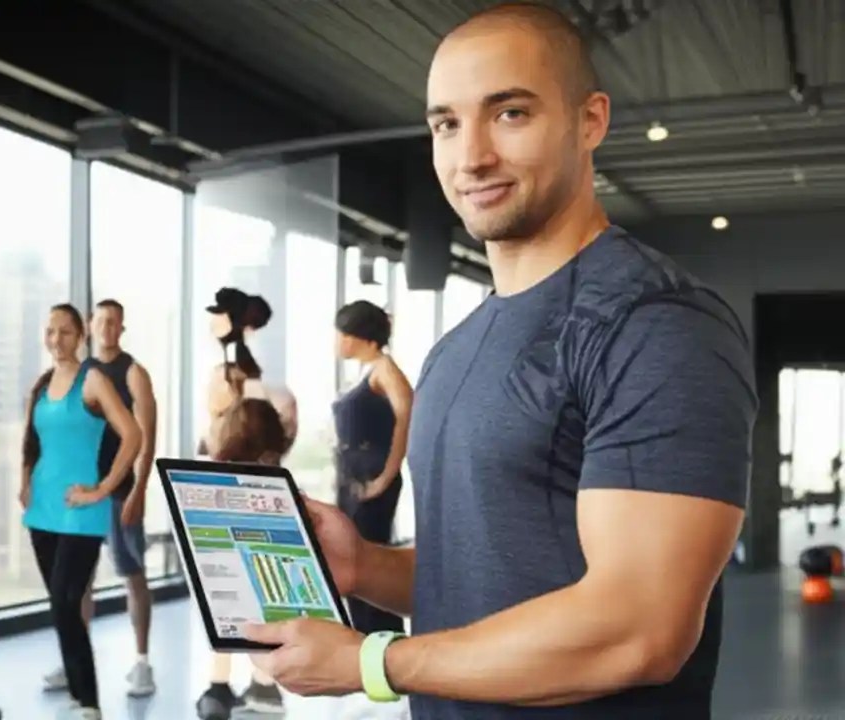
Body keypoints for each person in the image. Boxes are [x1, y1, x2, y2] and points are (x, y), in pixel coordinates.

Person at [242, 4, 756, 720]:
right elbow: (488, 575)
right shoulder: (458, 347)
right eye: (446, 124)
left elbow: (640, 629)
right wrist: (365, 567)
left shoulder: (657, 325)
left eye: (509, 114)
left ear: (590, 121)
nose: (471, 155)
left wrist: (373, 662)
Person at [21, 303, 142, 720]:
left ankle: (89, 703)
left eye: (66, 332)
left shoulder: (92, 379)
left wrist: (106, 488)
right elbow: (31, 443)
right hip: (42, 511)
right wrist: (24, 483)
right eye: (51, 331)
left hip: (81, 509)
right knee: (62, 606)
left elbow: (132, 433)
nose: (57, 340)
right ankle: (78, 698)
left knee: (64, 601)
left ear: (80, 337)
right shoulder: (39, 385)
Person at [41, 299, 158, 697]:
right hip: (83, 495)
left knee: (131, 574)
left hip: (120, 491)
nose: (108, 327)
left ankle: (142, 662)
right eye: (101, 321)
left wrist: (139, 489)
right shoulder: (79, 374)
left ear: (122, 328)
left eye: (115, 322)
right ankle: (74, 660)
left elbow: (146, 434)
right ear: (90, 327)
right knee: (80, 582)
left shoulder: (133, 373)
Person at [195, 287, 297, 720]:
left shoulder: (226, 382)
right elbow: (284, 435)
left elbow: (216, 440)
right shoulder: (273, 391)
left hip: (225, 495)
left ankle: (228, 686)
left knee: (228, 592)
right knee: (258, 592)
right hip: (263, 495)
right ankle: (260, 685)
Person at [331, 300, 411, 635]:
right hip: (352, 477)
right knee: (350, 557)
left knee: (368, 562)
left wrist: (385, 477)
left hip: (371, 477)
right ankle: (365, 639)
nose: (337, 342)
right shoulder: (363, 372)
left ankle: (384, 641)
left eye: (342, 334)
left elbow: (407, 416)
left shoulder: (384, 370)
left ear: (361, 337)